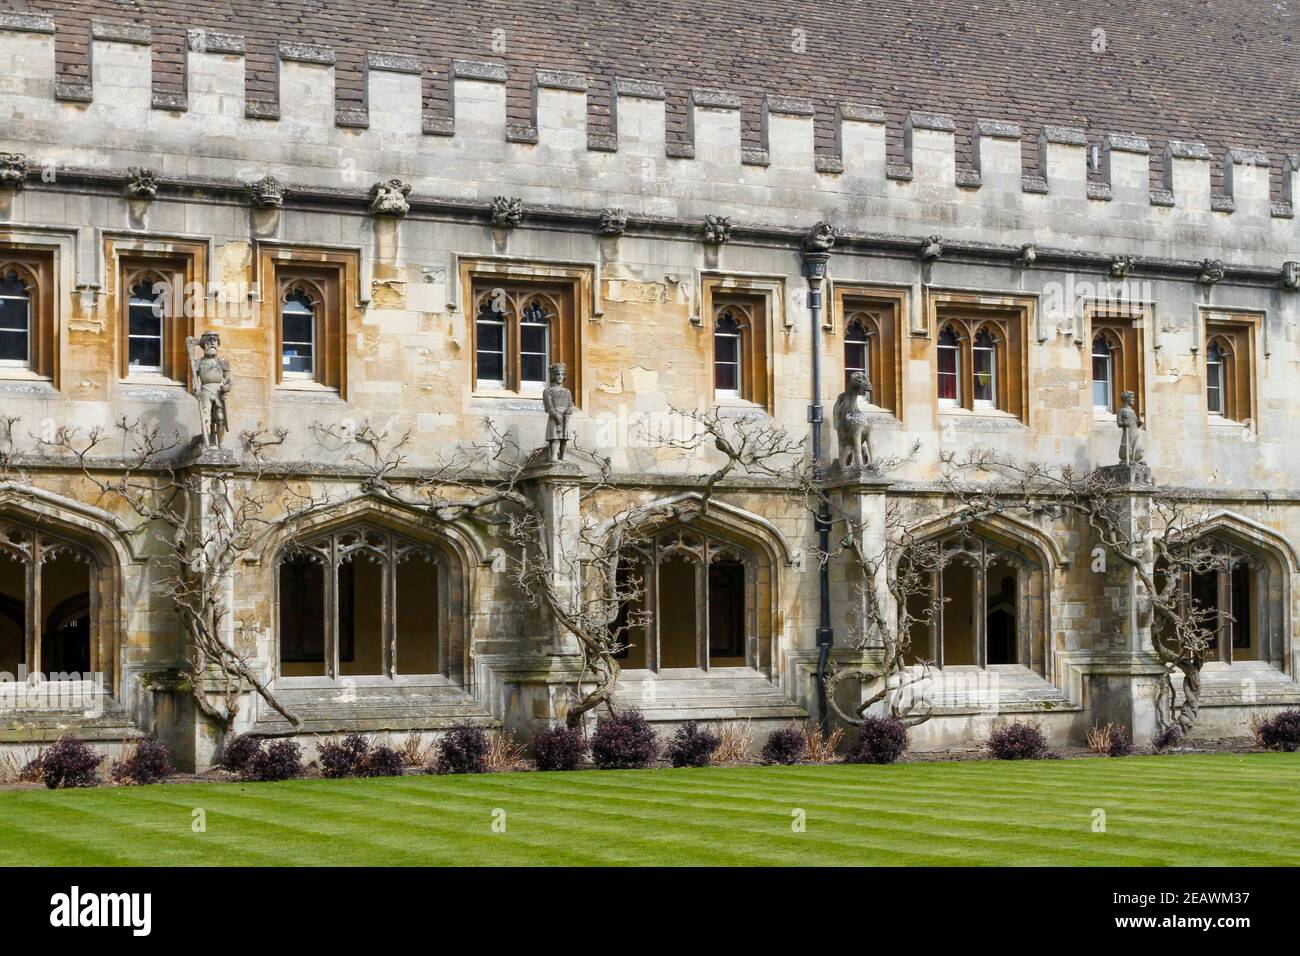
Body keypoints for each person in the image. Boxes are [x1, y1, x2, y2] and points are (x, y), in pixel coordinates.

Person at [191, 332, 231, 449]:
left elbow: (228, 379)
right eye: (209, 342)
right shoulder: (198, 362)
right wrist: (195, 390)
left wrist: (227, 387)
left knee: (220, 418)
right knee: (206, 418)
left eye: (215, 342)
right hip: (205, 390)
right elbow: (194, 380)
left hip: (218, 391)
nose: (212, 344)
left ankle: (221, 444)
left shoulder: (223, 362)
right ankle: (207, 444)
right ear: (204, 345)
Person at [543, 362, 574, 462]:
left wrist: (568, 412)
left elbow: (570, 405)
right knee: (556, 438)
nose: (560, 376)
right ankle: (554, 457)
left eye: (562, 374)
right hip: (554, 417)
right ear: (553, 376)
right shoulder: (548, 391)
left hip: (565, 417)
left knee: (564, 439)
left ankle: (563, 456)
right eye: (557, 374)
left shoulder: (567, 391)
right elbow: (548, 406)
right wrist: (556, 416)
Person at [1116, 390, 1143, 463]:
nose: (1133, 400)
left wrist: (1140, 422)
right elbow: (1119, 423)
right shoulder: (1121, 410)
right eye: (1132, 398)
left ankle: (1134, 460)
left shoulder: (1133, 411)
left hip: (1135, 433)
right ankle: (1126, 460)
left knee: (1138, 450)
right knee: (1127, 448)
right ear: (1126, 399)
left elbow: (1136, 423)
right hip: (1127, 435)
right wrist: (1124, 423)